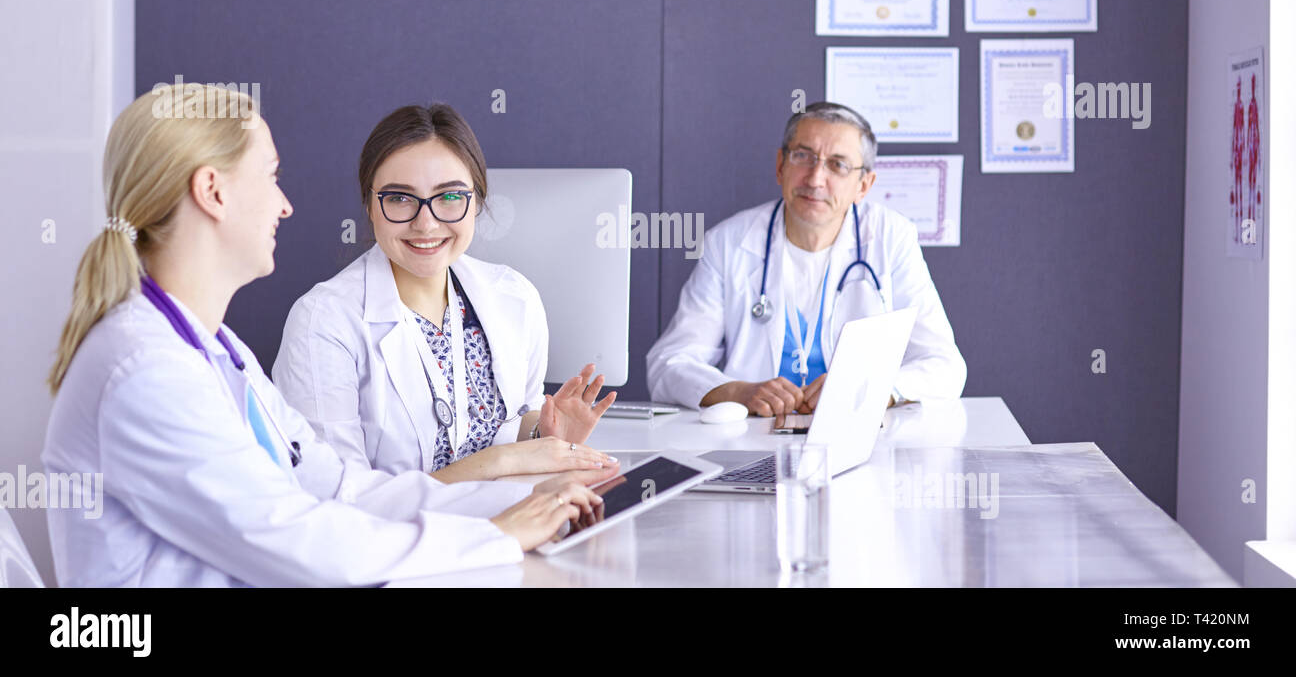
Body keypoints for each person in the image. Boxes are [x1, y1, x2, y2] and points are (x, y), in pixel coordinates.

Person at [43, 85, 610, 587]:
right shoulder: (147, 371)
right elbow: (295, 542)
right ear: (213, 191)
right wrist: (496, 535)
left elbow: (340, 490)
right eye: (270, 177)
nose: (285, 205)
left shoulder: (216, 350)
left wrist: (527, 500)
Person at [273, 103, 617, 481]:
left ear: (477, 202)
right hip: (402, 537)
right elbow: (335, 496)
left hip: (516, 524)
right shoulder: (323, 321)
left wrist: (543, 434)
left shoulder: (513, 296)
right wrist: (502, 462)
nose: (426, 223)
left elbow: (516, 419)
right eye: (399, 198)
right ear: (370, 206)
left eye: (450, 197)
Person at [646, 102, 966, 416]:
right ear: (780, 165)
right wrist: (738, 391)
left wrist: (870, 390)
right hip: (753, 437)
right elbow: (668, 364)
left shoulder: (891, 238)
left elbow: (944, 365)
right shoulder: (728, 242)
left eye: (838, 164)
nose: (815, 179)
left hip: (858, 434)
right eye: (803, 156)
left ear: (863, 185)